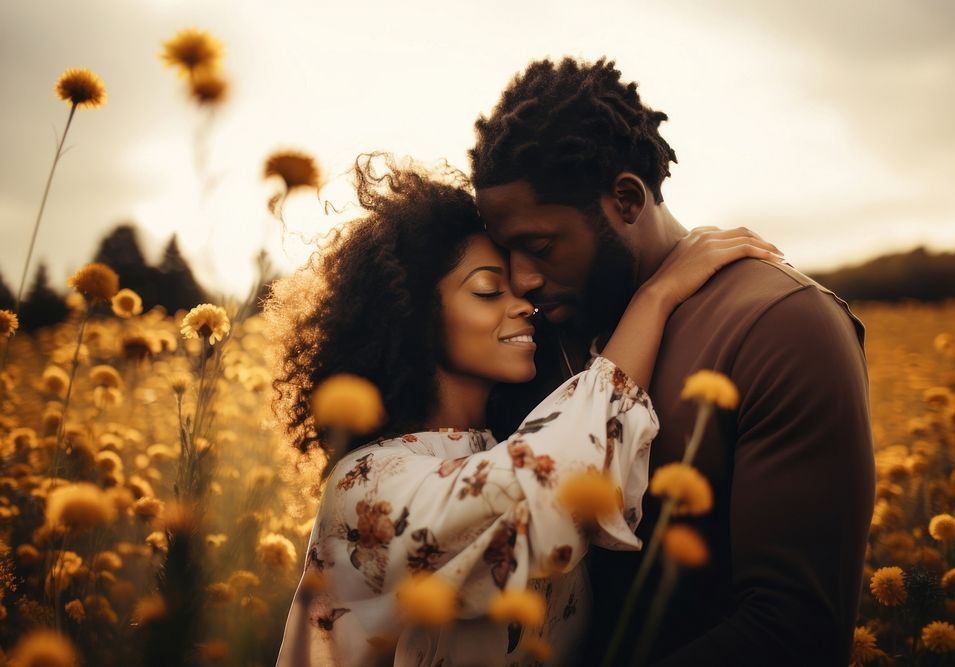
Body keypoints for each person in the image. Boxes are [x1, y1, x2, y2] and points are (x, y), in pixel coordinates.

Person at [265, 153, 782, 666]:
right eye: (488, 290)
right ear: (414, 317)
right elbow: (547, 486)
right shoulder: (363, 483)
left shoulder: (506, 443)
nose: (522, 305)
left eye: (519, 290)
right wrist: (658, 295)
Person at [470, 57, 876, 666]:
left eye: (540, 246)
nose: (522, 278)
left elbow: (794, 632)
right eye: (507, 253)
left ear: (627, 198)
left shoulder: (782, 325)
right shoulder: (534, 337)